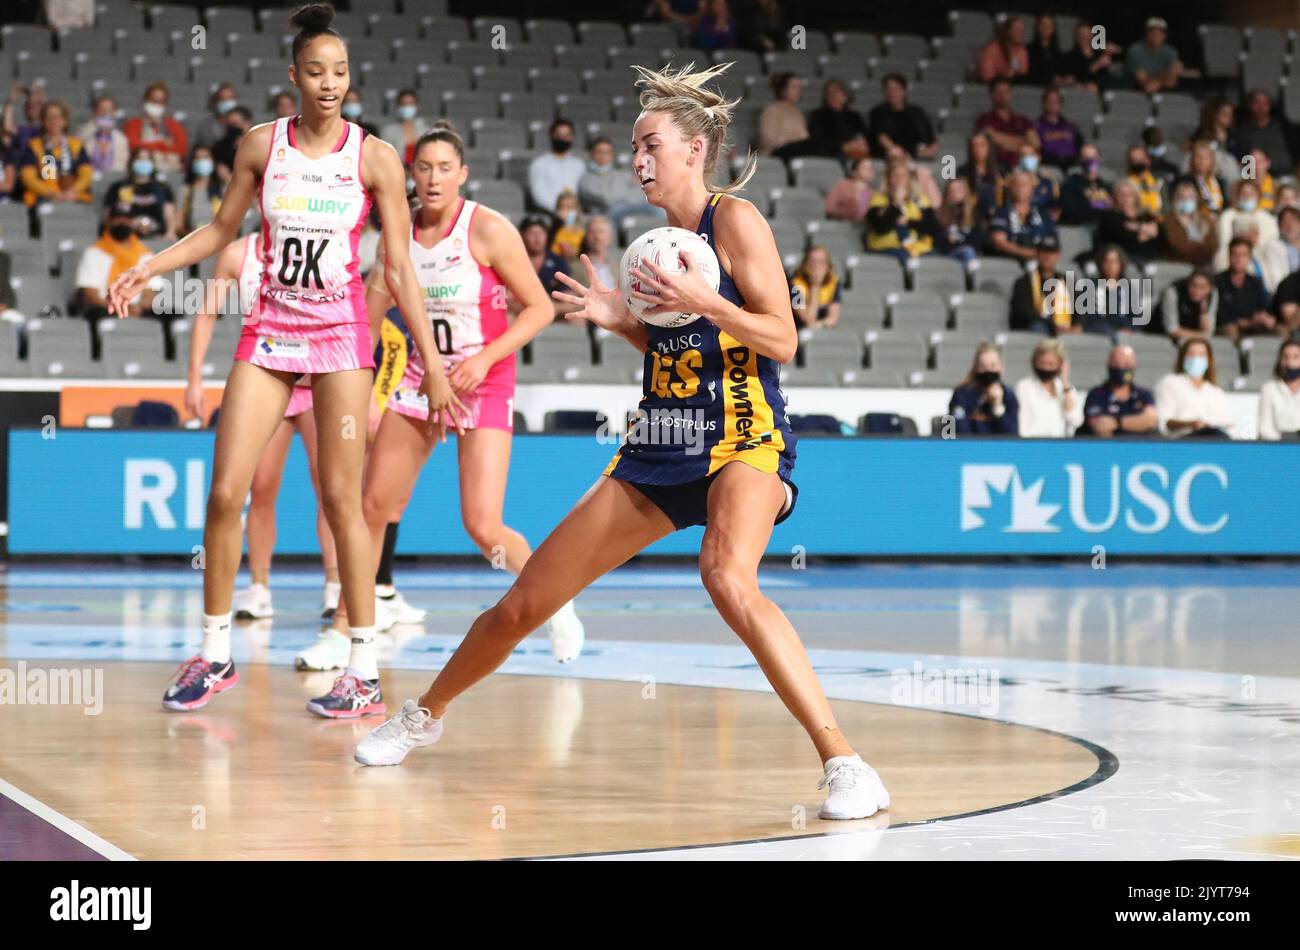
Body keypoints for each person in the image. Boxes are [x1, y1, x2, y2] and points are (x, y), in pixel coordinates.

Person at [353, 61, 892, 824]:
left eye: (650, 145)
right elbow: (679, 346)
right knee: (525, 602)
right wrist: (622, 322)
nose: (638, 160)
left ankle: (846, 765)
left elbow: (781, 338)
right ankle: (421, 717)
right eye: (634, 147)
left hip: (743, 433)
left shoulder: (734, 222)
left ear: (695, 151)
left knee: (725, 575)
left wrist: (705, 299)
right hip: (661, 440)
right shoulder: (656, 244)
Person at [107, 3, 460, 715]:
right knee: (224, 493)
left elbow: (399, 269)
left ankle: (362, 669)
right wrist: (151, 266)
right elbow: (218, 229)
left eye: (341, 72)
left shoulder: (374, 158)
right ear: (294, 76)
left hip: (341, 341)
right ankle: (214, 653)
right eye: (317, 71)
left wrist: (434, 364)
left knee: (341, 501)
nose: (330, 83)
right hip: (269, 334)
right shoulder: (261, 146)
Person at [304, 122, 585, 684]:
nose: (433, 178)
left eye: (444, 168)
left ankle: (554, 600)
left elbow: (538, 308)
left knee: (482, 526)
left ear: (463, 174)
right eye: (424, 168)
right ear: (412, 174)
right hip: (419, 380)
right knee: (371, 506)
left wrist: (483, 360)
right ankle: (344, 632)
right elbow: (369, 319)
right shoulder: (396, 237)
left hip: (484, 380)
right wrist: (347, 379)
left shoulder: (488, 229)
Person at [185, 232, 339, 622]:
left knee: (330, 488)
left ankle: (336, 585)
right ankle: (259, 587)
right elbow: (207, 314)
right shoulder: (238, 254)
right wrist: (194, 379)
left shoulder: (321, 242)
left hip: (316, 379)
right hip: (269, 378)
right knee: (262, 487)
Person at [75, 208, 162, 320]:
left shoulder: (145, 255)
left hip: (136, 308)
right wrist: (116, 308)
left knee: (170, 314)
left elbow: (149, 293)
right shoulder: (94, 252)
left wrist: (138, 308)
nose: (122, 222)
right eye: (118, 218)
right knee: (96, 313)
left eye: (126, 219)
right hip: (106, 307)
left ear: (132, 222)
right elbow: (90, 294)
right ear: (109, 221)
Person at [18, 100, 93, 212]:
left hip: (72, 196)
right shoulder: (34, 145)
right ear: (43, 121)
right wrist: (50, 193)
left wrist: (73, 191)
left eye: (58, 117)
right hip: (43, 197)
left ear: (65, 121)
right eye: (49, 117)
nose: (54, 121)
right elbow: (28, 177)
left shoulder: (76, 145)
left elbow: (86, 175)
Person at [1155, 337, 1233, 437]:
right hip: (1184, 439)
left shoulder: (1216, 392)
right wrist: (1192, 424)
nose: (1196, 359)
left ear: (1209, 360)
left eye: (1201, 355)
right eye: (1191, 354)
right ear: (1182, 358)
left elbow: (1227, 423)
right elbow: (1164, 422)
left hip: (1214, 437)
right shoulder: (1170, 383)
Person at [1078, 344, 1158, 437]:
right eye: (1116, 364)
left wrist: (1117, 423)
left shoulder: (1144, 394)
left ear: (1134, 366)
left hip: (1141, 444)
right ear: (1109, 364)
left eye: (1127, 364)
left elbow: (1151, 421)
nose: (1121, 367)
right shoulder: (1096, 395)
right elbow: (1100, 426)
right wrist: (1137, 422)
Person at [864, 159, 937, 262]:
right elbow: (881, 228)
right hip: (886, 248)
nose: (899, 180)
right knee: (907, 258)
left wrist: (908, 223)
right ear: (888, 179)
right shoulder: (878, 200)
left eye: (903, 176)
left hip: (918, 248)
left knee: (936, 261)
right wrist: (896, 203)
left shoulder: (921, 200)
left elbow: (932, 228)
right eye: (895, 176)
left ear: (910, 179)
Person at [104, 147, 177, 240]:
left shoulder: (163, 188)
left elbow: (169, 214)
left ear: (152, 163)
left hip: (157, 236)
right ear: (132, 162)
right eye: (139, 159)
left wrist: (170, 233)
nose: (143, 163)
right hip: (125, 237)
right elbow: (108, 215)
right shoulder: (118, 187)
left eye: (146, 159)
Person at [1014, 337, 1082, 437]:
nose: (1046, 368)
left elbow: (1075, 420)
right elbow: (1021, 426)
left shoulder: (1065, 388)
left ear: (1060, 365)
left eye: (1051, 364)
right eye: (1042, 363)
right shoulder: (1024, 387)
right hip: (1032, 442)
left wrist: (1065, 384)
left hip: (1059, 443)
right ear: (1034, 362)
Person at [949, 342, 1019, 435]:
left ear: (1001, 368)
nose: (988, 370)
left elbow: (1012, 435)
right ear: (976, 369)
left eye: (993, 366)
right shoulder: (961, 394)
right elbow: (957, 431)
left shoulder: (1009, 396)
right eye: (983, 366)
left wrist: (998, 407)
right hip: (971, 443)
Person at [1215, 237, 1276, 341]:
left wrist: (1265, 318)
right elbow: (1220, 316)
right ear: (1229, 256)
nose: (1239, 259)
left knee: (1280, 329)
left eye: (1243, 255)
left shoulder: (1255, 282)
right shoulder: (1218, 281)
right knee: (1230, 330)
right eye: (1235, 254)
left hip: (1254, 326)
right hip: (1228, 327)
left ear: (1250, 258)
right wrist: (1248, 321)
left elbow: (1264, 307)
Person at [987, 170, 1055, 261]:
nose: (1020, 188)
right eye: (1016, 185)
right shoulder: (1001, 213)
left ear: (1032, 189)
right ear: (1010, 188)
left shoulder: (1042, 214)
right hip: (1010, 262)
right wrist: (1028, 253)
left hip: (1041, 261)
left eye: (1024, 185)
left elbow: (1052, 241)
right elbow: (999, 242)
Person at [1011, 236, 1075, 334]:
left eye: (1052, 252)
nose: (1047, 256)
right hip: (1038, 329)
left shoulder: (1068, 281)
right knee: (1038, 327)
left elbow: (1079, 312)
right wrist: (1054, 326)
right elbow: (1025, 314)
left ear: (1058, 256)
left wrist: (1077, 326)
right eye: (1044, 252)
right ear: (1037, 254)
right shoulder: (1024, 282)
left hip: (1065, 329)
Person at [1212, 179, 1278, 273]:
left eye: (1251, 193)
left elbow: (1271, 239)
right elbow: (1224, 242)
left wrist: (1255, 241)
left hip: (1261, 256)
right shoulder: (1228, 216)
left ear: (1258, 196)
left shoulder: (1267, 218)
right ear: (1238, 196)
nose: (1247, 196)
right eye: (1244, 193)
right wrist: (1243, 240)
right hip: (1234, 254)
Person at [866, 73, 937, 160]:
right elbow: (881, 138)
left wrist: (930, 151)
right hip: (890, 158)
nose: (892, 92)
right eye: (888, 89)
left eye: (896, 88)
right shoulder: (878, 112)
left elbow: (932, 140)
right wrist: (900, 153)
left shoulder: (917, 112)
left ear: (904, 90)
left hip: (918, 156)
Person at [123, 81, 188, 173]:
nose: (157, 104)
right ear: (146, 100)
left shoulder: (174, 125)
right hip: (142, 168)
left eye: (161, 102)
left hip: (169, 168)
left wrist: (146, 145)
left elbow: (181, 149)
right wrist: (162, 144)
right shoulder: (133, 124)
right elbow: (133, 146)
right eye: (153, 101)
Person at [578, 136, 649, 221]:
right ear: (591, 154)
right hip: (602, 219)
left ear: (612, 155)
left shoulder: (622, 174)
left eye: (607, 152)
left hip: (628, 212)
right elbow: (607, 199)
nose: (603, 156)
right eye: (599, 152)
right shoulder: (586, 179)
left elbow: (640, 195)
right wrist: (628, 189)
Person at [976, 78, 1039, 171]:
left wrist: (1005, 142)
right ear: (992, 94)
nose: (1002, 95)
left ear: (1010, 93)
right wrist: (1024, 142)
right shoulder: (985, 119)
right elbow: (994, 140)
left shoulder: (1023, 120)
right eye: (999, 92)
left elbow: (1036, 144)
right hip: (996, 167)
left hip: (1024, 167)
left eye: (1006, 92)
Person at [1095, 179, 1160, 265]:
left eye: (1130, 194)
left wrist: (1138, 227)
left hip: (1153, 261)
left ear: (1136, 196)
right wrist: (1145, 232)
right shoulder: (1110, 216)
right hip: (1122, 261)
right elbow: (1123, 239)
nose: (1126, 198)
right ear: (1115, 197)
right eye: (1121, 194)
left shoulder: (1147, 215)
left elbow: (1157, 234)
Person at [527, 117, 584, 214]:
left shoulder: (579, 165)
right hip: (547, 214)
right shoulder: (538, 164)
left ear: (572, 137)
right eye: (559, 135)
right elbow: (538, 195)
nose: (562, 139)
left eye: (566, 136)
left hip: (575, 215)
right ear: (551, 135)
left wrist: (571, 211)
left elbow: (582, 194)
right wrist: (559, 210)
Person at [519, 213, 571, 317]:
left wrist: (548, 308)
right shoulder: (515, 260)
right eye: (531, 233)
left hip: (554, 312)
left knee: (576, 318)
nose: (537, 238)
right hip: (521, 311)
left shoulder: (558, 261)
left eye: (541, 233)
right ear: (522, 236)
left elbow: (569, 297)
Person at [807, 79, 869, 162]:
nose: (832, 95)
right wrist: (843, 146)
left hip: (855, 153)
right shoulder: (818, 116)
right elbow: (818, 141)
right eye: (829, 93)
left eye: (836, 91)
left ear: (845, 95)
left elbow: (862, 135)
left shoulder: (855, 116)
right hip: (830, 156)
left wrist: (860, 143)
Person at [1161, 177, 1218, 267]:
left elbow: (1213, 244)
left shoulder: (1206, 218)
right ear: (1175, 199)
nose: (1187, 201)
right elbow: (1181, 247)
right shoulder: (1169, 220)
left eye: (1190, 197)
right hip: (1181, 265)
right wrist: (1204, 249)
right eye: (1182, 198)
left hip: (1207, 264)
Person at [1235, 90, 1292, 174]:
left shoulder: (1283, 127)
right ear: (1250, 106)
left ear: (1270, 106)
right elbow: (1241, 159)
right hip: (1253, 176)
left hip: (1283, 175)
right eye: (1256, 103)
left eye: (1265, 103)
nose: (1261, 107)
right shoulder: (1242, 131)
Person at [756, 72, 812, 159]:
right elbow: (766, 139)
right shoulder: (771, 110)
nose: (798, 91)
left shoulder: (798, 113)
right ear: (783, 90)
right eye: (794, 87)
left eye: (799, 88)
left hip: (797, 155)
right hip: (776, 157)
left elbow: (804, 137)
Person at [1059, 143, 1113, 226]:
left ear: (1099, 158)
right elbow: (1071, 213)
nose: (1090, 160)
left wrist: (1088, 205)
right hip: (1081, 227)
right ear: (1080, 160)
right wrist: (1100, 205)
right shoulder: (1070, 184)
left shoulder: (1105, 185)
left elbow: (1113, 208)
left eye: (1094, 157)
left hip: (1104, 227)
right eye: (1086, 157)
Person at [1058, 20, 1119, 91]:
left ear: (1092, 36)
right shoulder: (1069, 57)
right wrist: (1097, 65)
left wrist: (1116, 50)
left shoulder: (1100, 54)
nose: (1085, 37)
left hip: (1103, 91)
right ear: (1076, 37)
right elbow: (1072, 79)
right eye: (1081, 35)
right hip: (1081, 93)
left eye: (1087, 34)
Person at [1126, 16, 1182, 93]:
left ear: (1165, 35)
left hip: (1166, 93)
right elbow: (1141, 77)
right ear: (1146, 33)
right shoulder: (1135, 50)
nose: (1156, 34)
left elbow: (1171, 81)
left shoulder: (1171, 52)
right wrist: (1163, 77)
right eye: (1152, 31)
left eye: (1160, 31)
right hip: (1136, 92)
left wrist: (1159, 82)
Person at [1257, 339, 1300, 440]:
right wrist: (1284, 441)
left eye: (1296, 357)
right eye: (1285, 357)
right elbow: (1265, 428)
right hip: (1276, 445)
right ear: (1280, 361)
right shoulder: (1269, 388)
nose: (1290, 362)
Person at [789, 245, 840, 329]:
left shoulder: (834, 283)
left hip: (821, 329)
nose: (816, 266)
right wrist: (815, 286)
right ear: (804, 264)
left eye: (821, 262)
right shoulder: (794, 284)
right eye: (812, 261)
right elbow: (807, 319)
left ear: (828, 266)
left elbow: (833, 317)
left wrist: (820, 324)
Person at [958, 130, 1004, 220]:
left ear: (989, 147)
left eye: (982, 145)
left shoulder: (1001, 170)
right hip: (970, 216)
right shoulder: (962, 172)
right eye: (974, 146)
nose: (978, 149)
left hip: (997, 216)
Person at [1161, 269, 1217, 342]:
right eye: (1194, 285)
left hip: (1191, 337)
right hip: (1161, 336)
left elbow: (1209, 330)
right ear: (1188, 283)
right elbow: (1172, 330)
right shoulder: (1173, 292)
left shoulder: (1213, 293)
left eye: (1203, 287)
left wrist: (1203, 310)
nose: (1197, 291)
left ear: (1210, 289)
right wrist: (1201, 336)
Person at [934, 178, 982, 264]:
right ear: (947, 194)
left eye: (959, 190)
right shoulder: (939, 214)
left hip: (969, 253)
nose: (955, 194)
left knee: (968, 252)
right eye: (951, 191)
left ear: (965, 192)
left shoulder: (974, 214)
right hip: (948, 255)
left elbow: (977, 241)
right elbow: (939, 242)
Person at [1033, 87, 1082, 171]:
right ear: (1044, 103)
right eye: (1050, 101)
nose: (1053, 104)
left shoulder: (1070, 126)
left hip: (1071, 164)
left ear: (1061, 103)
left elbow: (1080, 146)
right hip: (1048, 165)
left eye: (1057, 101)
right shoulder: (1036, 126)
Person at [378, 89, 430, 166]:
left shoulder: (426, 131)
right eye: (404, 104)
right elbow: (384, 157)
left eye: (411, 103)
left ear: (417, 106)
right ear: (398, 107)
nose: (407, 107)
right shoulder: (388, 131)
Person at [78, 96, 129, 174]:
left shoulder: (121, 139)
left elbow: (122, 165)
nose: (105, 113)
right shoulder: (84, 133)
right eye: (101, 109)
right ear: (94, 111)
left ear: (114, 113)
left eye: (109, 110)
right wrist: (94, 125)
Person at [180, 145, 222, 235]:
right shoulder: (185, 191)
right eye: (198, 158)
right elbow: (178, 224)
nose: (202, 161)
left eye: (206, 157)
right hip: (192, 237)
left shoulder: (223, 189)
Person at [1260, 206, 1300, 293]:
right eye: (1285, 222)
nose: (1290, 226)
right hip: (1287, 295)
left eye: (1294, 221)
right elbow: (1275, 281)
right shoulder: (1271, 248)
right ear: (1279, 225)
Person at [977, 17, 1029, 83]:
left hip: (1016, 86)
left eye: (1022, 30)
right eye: (1017, 30)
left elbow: (1023, 73)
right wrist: (1004, 75)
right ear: (1008, 31)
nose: (1021, 33)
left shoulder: (1022, 51)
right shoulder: (992, 49)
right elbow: (986, 75)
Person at [823, 155, 874, 222]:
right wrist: (849, 213)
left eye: (871, 168)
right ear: (855, 172)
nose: (870, 170)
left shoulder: (873, 192)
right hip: (842, 224)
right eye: (865, 168)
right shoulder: (842, 186)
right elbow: (830, 208)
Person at [192, 84, 240, 151]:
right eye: (223, 99)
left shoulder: (243, 122)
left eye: (230, 98)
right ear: (216, 102)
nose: (227, 102)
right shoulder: (206, 125)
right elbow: (206, 145)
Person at [578, 215, 619, 289]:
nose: (597, 237)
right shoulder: (575, 267)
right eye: (592, 232)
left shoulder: (620, 266)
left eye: (601, 232)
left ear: (611, 237)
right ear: (585, 237)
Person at [1187, 140, 1225, 214]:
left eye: (1206, 157)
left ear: (1212, 160)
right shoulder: (1186, 181)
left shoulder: (1221, 182)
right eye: (1198, 157)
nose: (1202, 161)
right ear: (1192, 159)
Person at [1026, 15, 1065, 87]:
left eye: (1049, 25)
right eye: (1043, 25)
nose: (1046, 28)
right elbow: (1029, 75)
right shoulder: (1028, 50)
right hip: (1034, 88)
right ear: (1037, 28)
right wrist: (1051, 79)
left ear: (1053, 29)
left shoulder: (1058, 53)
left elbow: (1061, 74)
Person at [1125, 145, 1163, 216]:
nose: (1137, 162)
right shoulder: (1126, 184)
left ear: (1148, 159)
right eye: (1133, 159)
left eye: (1140, 158)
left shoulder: (1160, 180)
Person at [550, 189, 585, 260]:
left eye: (570, 207)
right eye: (562, 207)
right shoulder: (551, 229)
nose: (565, 211)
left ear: (577, 210)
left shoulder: (581, 233)